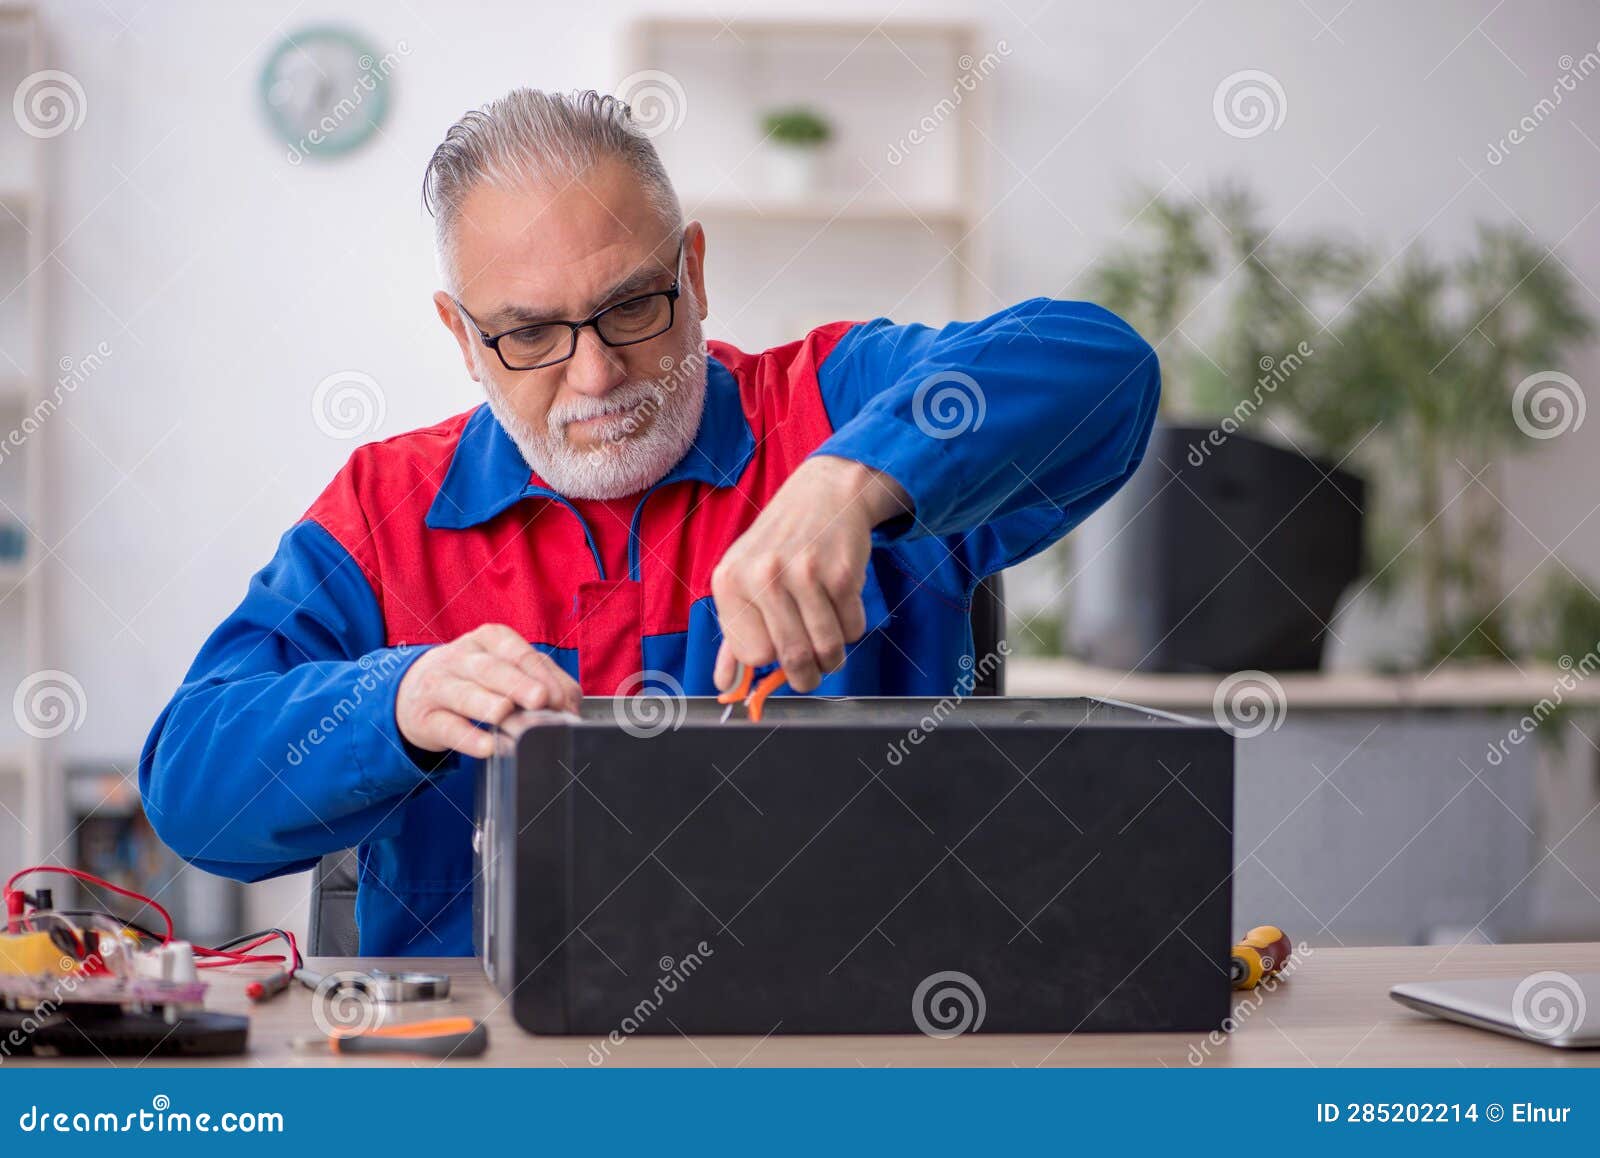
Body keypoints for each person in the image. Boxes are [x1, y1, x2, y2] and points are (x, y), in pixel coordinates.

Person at [139, 89, 1161, 955]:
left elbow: (1102, 368)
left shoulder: (832, 404)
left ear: (694, 272)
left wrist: (849, 484)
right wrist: (398, 699)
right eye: (530, 334)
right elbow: (193, 791)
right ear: (462, 336)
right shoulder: (386, 510)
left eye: (631, 306)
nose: (595, 375)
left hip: (845, 1051)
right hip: (488, 1073)